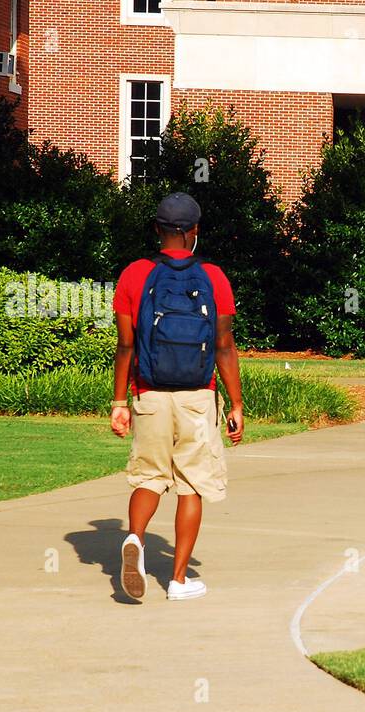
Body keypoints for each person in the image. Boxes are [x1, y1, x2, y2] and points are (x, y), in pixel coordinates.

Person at [109, 192, 245, 601]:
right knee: (190, 485)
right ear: (195, 231)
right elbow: (223, 344)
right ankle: (179, 580)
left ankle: (135, 539)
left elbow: (126, 345)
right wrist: (235, 403)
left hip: (150, 394)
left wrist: (119, 403)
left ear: (157, 229)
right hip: (197, 397)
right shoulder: (214, 277)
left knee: (149, 478)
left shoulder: (134, 275)